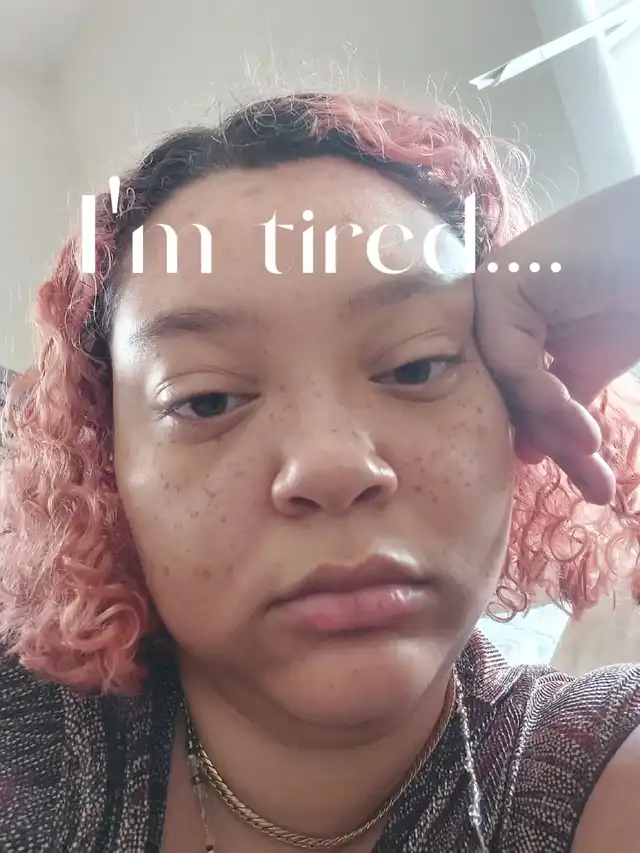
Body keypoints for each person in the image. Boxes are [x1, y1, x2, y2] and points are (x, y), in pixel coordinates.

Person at [0, 92, 638, 853]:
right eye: (206, 398)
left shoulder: (599, 769)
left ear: (518, 399)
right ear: (105, 468)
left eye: (416, 365)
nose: (332, 467)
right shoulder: (26, 728)